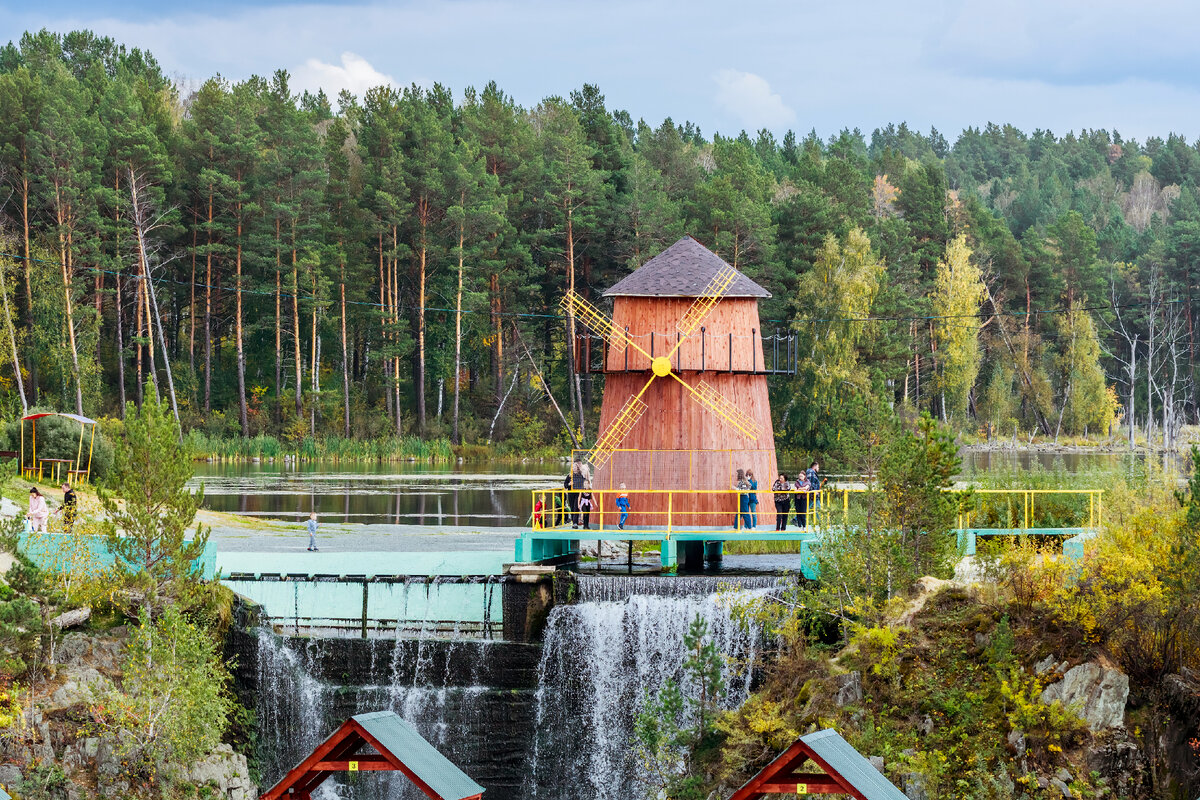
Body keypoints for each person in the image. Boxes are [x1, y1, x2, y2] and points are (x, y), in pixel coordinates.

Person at [568, 460, 586, 529]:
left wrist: (584, 489)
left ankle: (575, 523)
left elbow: (583, 483)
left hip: (578, 494)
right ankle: (573, 521)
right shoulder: (570, 476)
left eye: (575, 466)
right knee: (572, 507)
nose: (574, 468)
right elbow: (565, 484)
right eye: (573, 467)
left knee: (576, 507)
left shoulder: (580, 475)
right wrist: (569, 484)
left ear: (577, 468)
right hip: (571, 494)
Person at [806, 460, 825, 525]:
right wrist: (813, 491)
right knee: (815, 508)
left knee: (816, 508)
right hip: (813, 494)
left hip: (814, 494)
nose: (818, 469)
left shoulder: (811, 472)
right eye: (818, 467)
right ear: (815, 466)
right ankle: (821, 522)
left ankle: (821, 522)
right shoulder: (811, 472)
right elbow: (810, 483)